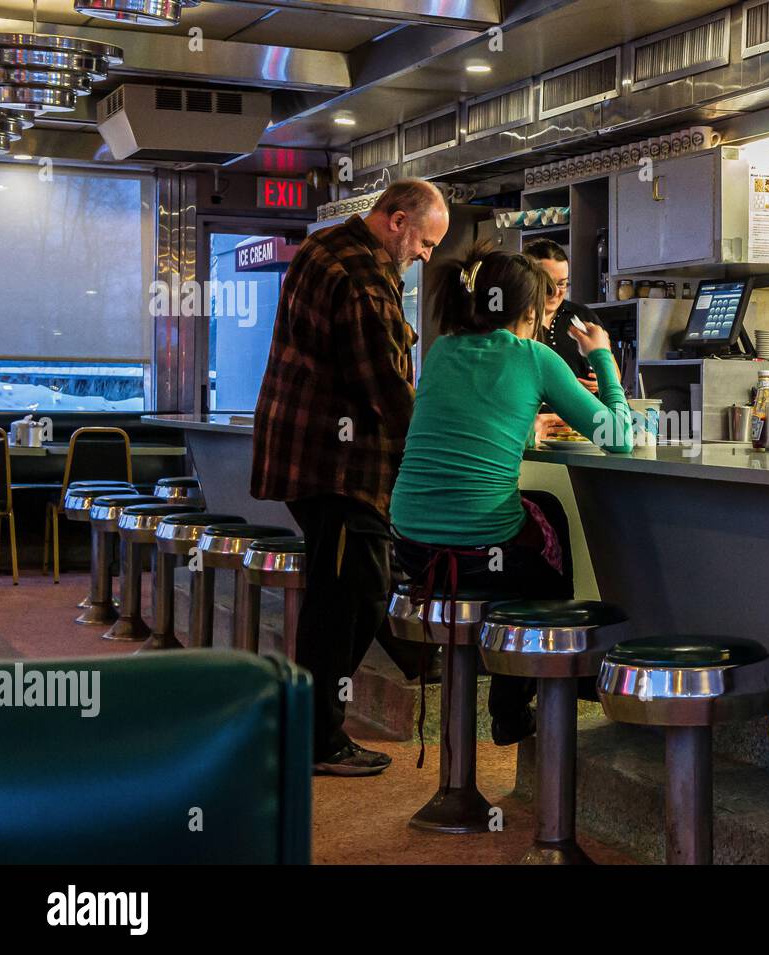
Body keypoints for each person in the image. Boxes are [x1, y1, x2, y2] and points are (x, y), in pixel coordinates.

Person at [390, 242, 633, 745]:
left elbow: (488, 422)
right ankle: (522, 690)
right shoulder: (535, 357)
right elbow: (620, 438)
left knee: (542, 509)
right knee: (548, 545)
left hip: (410, 544)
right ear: (527, 308)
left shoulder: (440, 351)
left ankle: (518, 689)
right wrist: (603, 357)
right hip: (478, 549)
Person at [252, 179, 450, 777]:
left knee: (346, 594)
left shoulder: (328, 247)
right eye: (425, 242)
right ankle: (318, 740)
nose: (426, 256)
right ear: (395, 220)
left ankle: (313, 727)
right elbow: (385, 387)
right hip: (337, 465)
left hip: (313, 458)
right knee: (347, 602)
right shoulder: (362, 277)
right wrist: (432, 447)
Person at [523, 238, 614, 392]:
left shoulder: (582, 316)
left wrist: (605, 380)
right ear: (526, 279)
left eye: (562, 283)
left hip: (584, 414)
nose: (557, 292)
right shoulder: (514, 323)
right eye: (548, 284)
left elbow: (613, 372)